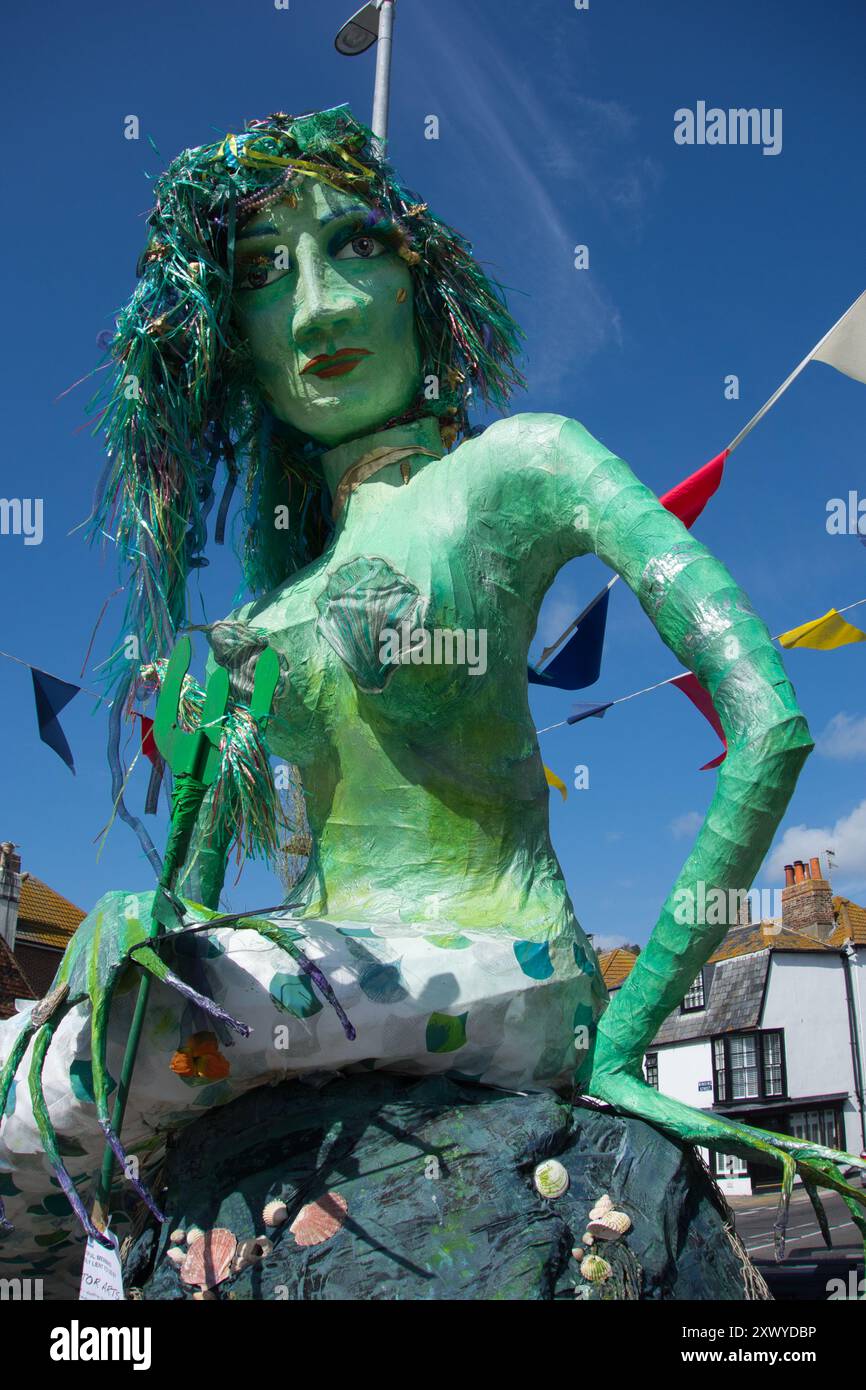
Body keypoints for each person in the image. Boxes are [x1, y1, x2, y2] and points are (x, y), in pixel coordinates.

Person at [1, 106, 862, 1295]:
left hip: (498, 960)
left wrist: (617, 1035)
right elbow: (181, 909)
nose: (318, 306)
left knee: (125, 1035)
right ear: (229, 344)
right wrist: (125, 923)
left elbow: (766, 715)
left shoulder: (521, 466)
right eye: (262, 275)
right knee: (48, 1051)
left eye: (354, 245)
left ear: (422, 283)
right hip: (315, 975)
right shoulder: (253, 626)